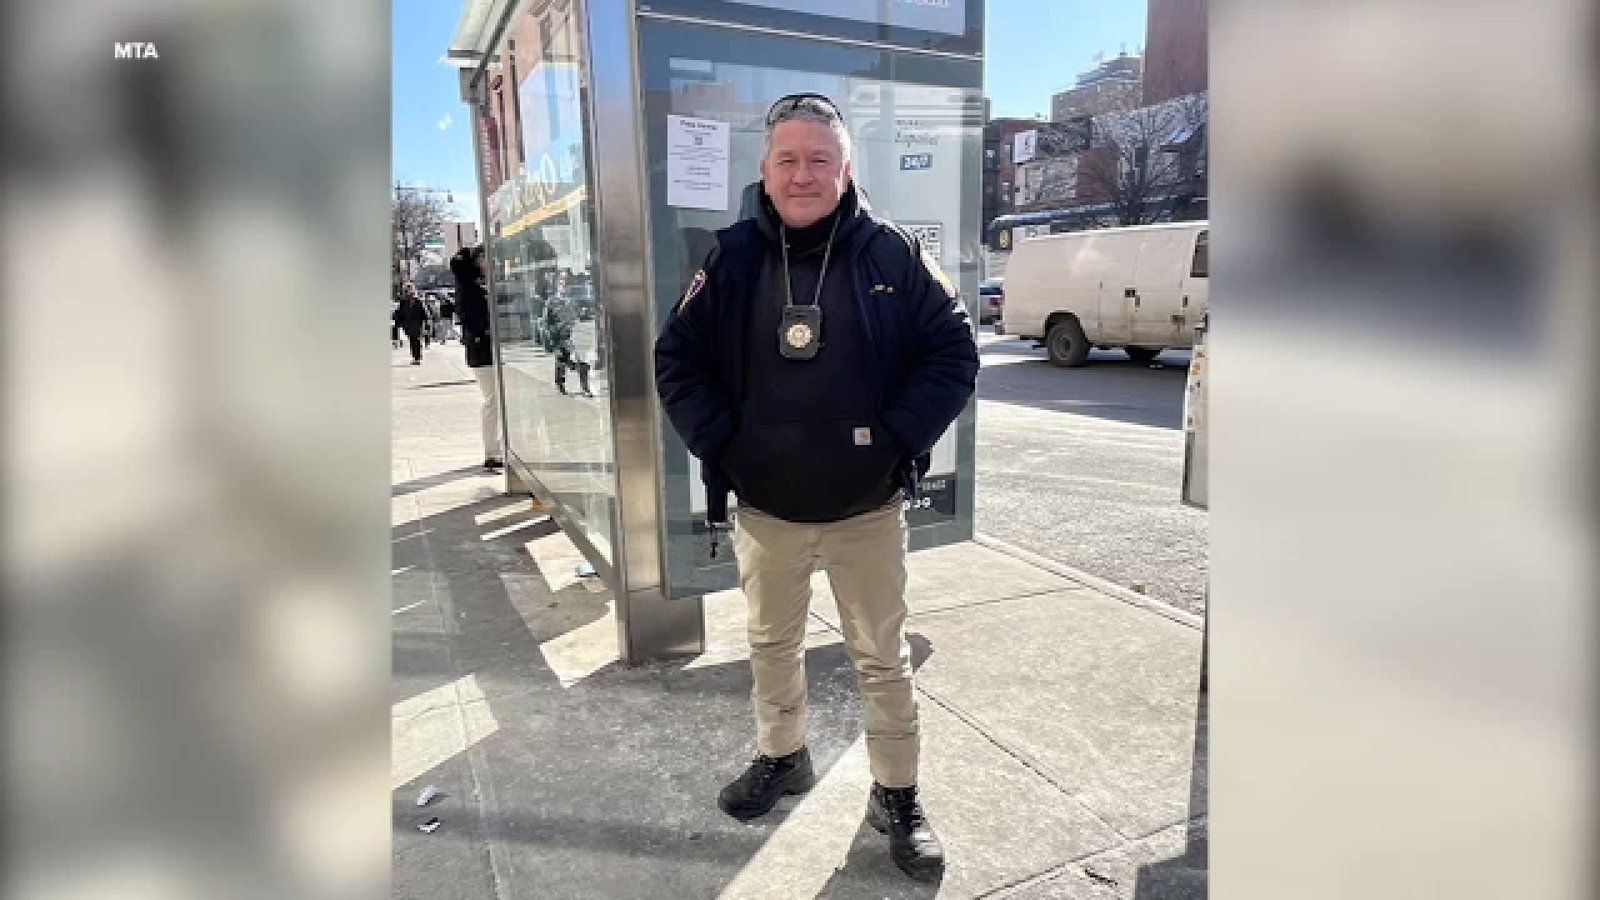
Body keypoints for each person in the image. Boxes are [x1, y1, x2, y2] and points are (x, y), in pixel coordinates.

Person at [654, 93, 978, 882]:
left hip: (867, 509)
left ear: (845, 168)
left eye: (820, 159)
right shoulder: (727, 259)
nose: (804, 175)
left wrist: (898, 438)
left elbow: (954, 351)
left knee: (881, 659)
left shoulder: (892, 254)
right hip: (767, 511)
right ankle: (782, 756)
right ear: (765, 172)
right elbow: (678, 361)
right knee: (771, 645)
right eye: (788, 160)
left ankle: (896, 795)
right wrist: (726, 447)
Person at [452, 245, 503, 472]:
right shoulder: (470, 289)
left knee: (494, 401)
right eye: (483, 258)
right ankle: (492, 452)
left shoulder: (474, 287)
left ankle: (495, 450)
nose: (487, 262)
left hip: (484, 351)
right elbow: (475, 321)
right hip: (483, 352)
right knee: (493, 401)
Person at [545, 272, 592, 397]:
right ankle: (560, 384)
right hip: (560, 337)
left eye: (567, 282)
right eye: (562, 282)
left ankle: (585, 387)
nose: (564, 285)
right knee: (561, 361)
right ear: (557, 284)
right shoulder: (552, 301)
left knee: (582, 361)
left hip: (576, 336)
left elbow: (582, 317)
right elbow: (547, 323)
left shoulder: (574, 301)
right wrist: (553, 342)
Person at [393, 284, 428, 365]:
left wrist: (426, 324)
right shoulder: (403, 302)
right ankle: (415, 357)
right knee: (412, 341)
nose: (408, 292)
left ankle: (417, 358)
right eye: (406, 290)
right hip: (408, 325)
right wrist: (397, 322)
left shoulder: (418, 301)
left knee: (417, 340)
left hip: (417, 324)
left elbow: (424, 313)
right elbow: (399, 313)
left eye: (410, 290)